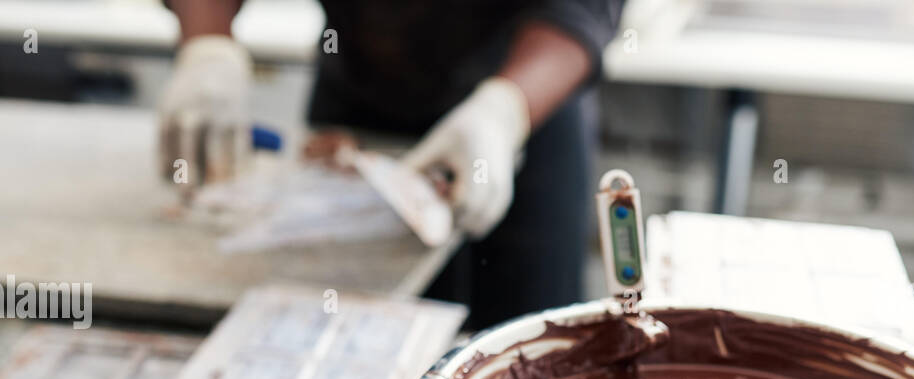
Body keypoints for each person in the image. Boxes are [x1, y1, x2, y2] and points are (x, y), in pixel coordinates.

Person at [159, 0, 624, 328]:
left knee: (527, 346)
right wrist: (208, 46)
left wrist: (505, 111)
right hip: (356, 103)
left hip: (526, 96)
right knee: (332, 335)